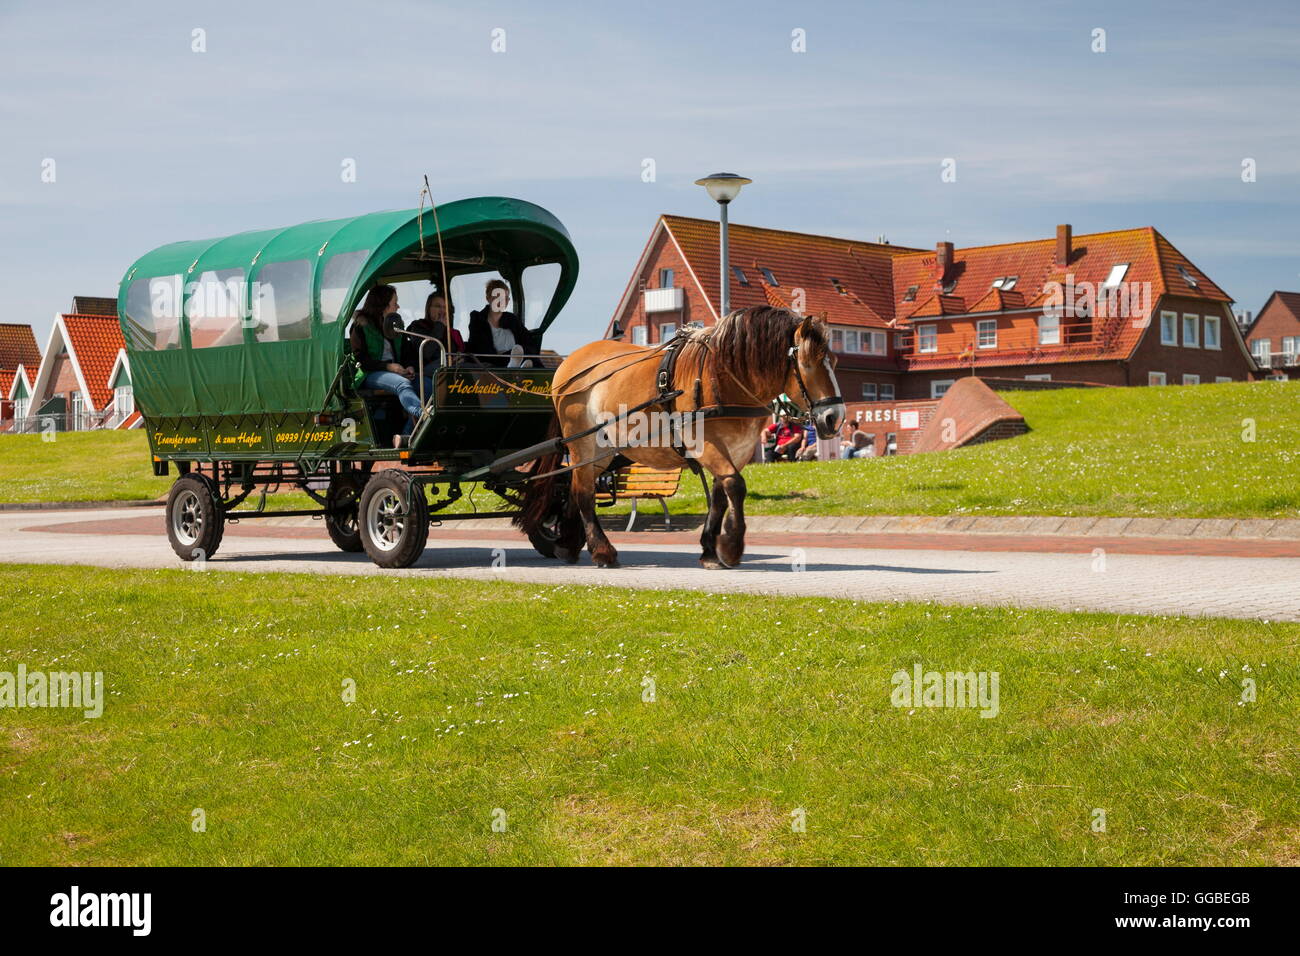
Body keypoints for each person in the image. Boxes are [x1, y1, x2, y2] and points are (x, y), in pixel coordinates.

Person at [349, 284, 422, 448]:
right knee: (402, 384)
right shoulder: (361, 326)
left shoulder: (395, 324)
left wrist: (409, 366)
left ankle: (407, 435)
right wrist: (389, 367)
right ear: (383, 305)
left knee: (428, 384)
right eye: (395, 302)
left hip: (397, 371)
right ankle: (423, 414)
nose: (398, 306)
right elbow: (361, 358)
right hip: (370, 373)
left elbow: (407, 352)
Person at [403, 293, 463, 401]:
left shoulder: (448, 332)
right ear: (428, 309)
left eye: (444, 307)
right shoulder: (418, 326)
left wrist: (458, 357)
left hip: (449, 372)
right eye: (438, 306)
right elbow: (427, 352)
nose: (442, 311)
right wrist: (439, 326)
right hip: (425, 373)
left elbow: (454, 352)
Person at [467, 278, 532, 367]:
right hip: (490, 369)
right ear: (488, 298)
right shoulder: (478, 319)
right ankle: (512, 366)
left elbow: (528, 342)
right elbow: (479, 348)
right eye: (497, 297)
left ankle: (516, 366)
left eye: (505, 298)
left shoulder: (512, 320)